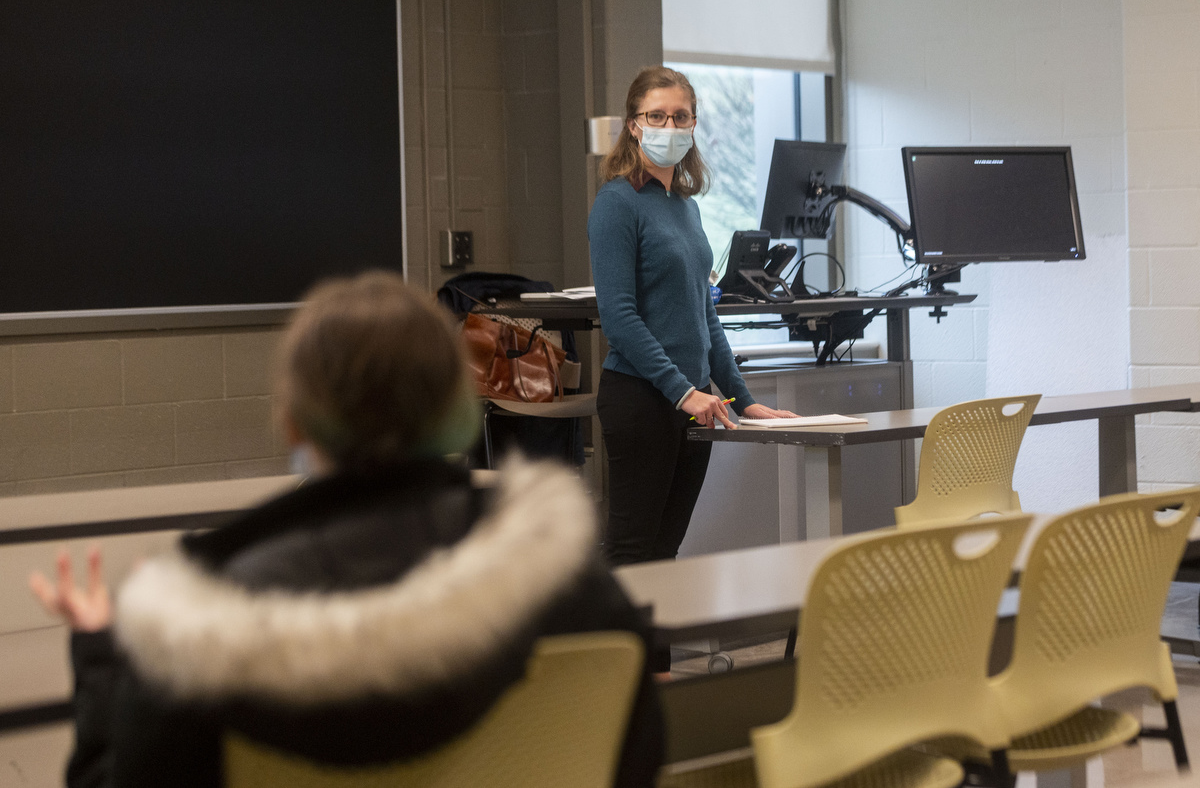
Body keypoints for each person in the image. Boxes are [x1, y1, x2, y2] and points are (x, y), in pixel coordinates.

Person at [29, 271, 664, 788]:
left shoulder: (196, 641)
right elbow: (630, 760)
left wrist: (100, 654)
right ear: (457, 405)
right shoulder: (574, 593)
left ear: (294, 423)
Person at [588, 66, 797, 569]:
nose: (669, 125)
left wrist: (742, 399)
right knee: (633, 553)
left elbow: (706, 315)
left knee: (666, 554)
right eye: (656, 115)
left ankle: (657, 652)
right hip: (641, 399)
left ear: (694, 124)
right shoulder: (617, 203)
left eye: (680, 116)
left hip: (695, 402)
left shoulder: (685, 207)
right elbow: (618, 317)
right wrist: (684, 392)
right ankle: (619, 652)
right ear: (633, 125)